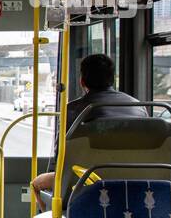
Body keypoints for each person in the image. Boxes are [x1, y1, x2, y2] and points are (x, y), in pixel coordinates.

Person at [31, 53, 146, 204]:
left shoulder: (73, 110)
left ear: (82, 81)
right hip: (134, 183)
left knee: (36, 184)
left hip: (85, 182)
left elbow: (62, 156)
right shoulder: (138, 107)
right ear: (113, 79)